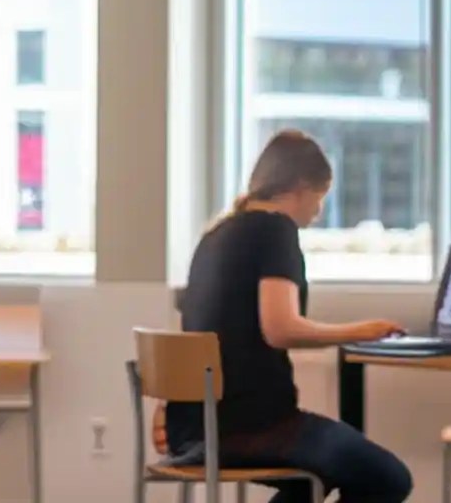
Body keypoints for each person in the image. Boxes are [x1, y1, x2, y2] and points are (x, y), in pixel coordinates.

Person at [164, 129, 413, 503]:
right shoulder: (275, 231)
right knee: (389, 478)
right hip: (252, 426)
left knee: (307, 482)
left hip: (195, 425)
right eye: (320, 197)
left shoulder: (216, 235)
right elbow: (279, 329)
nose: (317, 211)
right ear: (299, 186)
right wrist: (362, 331)